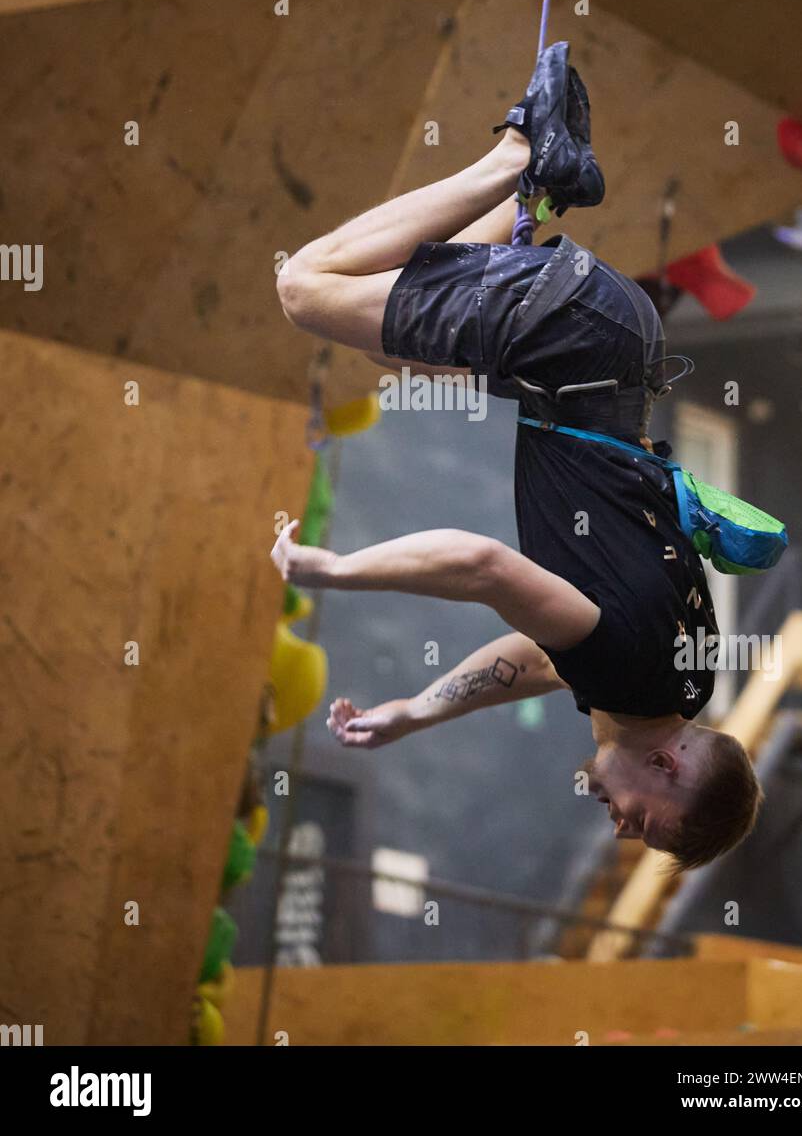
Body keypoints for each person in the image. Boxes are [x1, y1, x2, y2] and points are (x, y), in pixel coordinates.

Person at [271, 43, 762, 870]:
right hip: (568, 341)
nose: (621, 827)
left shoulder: (675, 687)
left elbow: (538, 655)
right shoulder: (628, 677)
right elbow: (482, 566)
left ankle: (537, 179)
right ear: (669, 767)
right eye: (648, 824)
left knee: (397, 351)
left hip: (602, 350)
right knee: (306, 287)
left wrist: (415, 713)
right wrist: (335, 572)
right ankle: (521, 156)